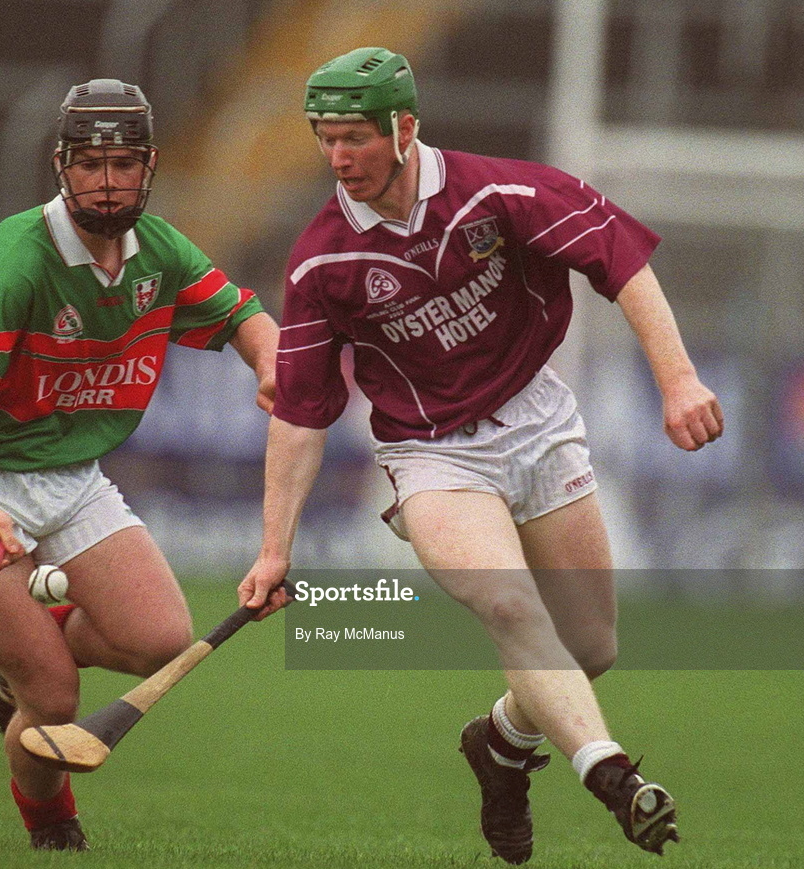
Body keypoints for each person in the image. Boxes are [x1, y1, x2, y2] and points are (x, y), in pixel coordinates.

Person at [239, 47, 723, 863]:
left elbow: (622, 262)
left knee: (592, 646)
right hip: (429, 455)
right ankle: (608, 772)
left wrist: (678, 380)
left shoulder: (502, 192)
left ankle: (498, 744)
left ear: (404, 126)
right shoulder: (322, 259)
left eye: (354, 136)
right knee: (508, 605)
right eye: (325, 138)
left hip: (537, 418)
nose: (338, 157)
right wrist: (274, 547)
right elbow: (301, 411)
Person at [0, 79, 278, 851]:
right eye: (91, 163)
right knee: (55, 697)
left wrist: (271, 368)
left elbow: (243, 315)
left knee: (163, 638)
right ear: (62, 166)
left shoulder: (159, 252)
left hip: (68, 475)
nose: (107, 180)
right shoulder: (13, 262)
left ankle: (41, 635)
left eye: (123, 163)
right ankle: (54, 825)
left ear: (150, 165)